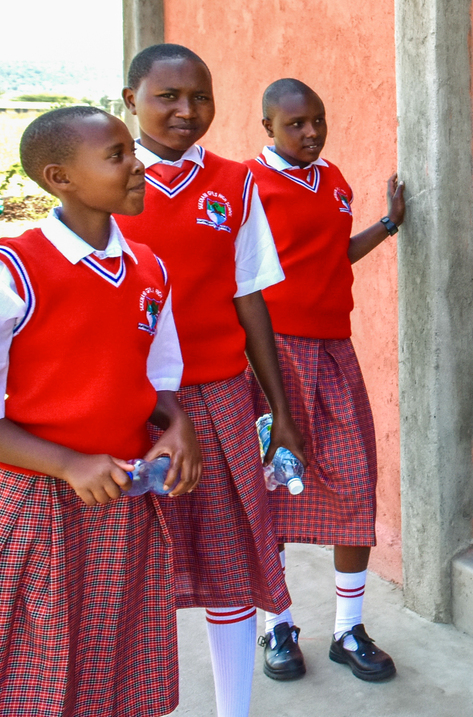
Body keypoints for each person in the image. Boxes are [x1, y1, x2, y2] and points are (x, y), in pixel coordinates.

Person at [0, 105, 201, 716]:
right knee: (26, 673)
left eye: (132, 151)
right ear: (59, 177)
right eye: (116, 155)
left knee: (113, 659)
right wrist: (67, 462)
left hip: (119, 500)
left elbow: (156, 379)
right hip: (33, 504)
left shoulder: (149, 269)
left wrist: (176, 425)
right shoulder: (10, 271)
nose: (136, 165)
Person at [117, 45, 304, 717]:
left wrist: (280, 408)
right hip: (129, 407)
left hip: (221, 395)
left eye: (200, 96)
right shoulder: (107, 184)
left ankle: (234, 710)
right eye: (167, 95)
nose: (185, 110)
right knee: (134, 570)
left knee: (228, 564)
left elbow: (250, 299)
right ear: (131, 97)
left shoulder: (236, 183)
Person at [245, 78, 404, 683]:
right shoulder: (249, 186)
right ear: (268, 129)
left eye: (318, 120)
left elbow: (335, 254)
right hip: (271, 356)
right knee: (270, 487)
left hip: (334, 351)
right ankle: (276, 625)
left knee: (355, 479)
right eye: (294, 125)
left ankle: (348, 628)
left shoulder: (333, 179)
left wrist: (388, 225)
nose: (310, 132)